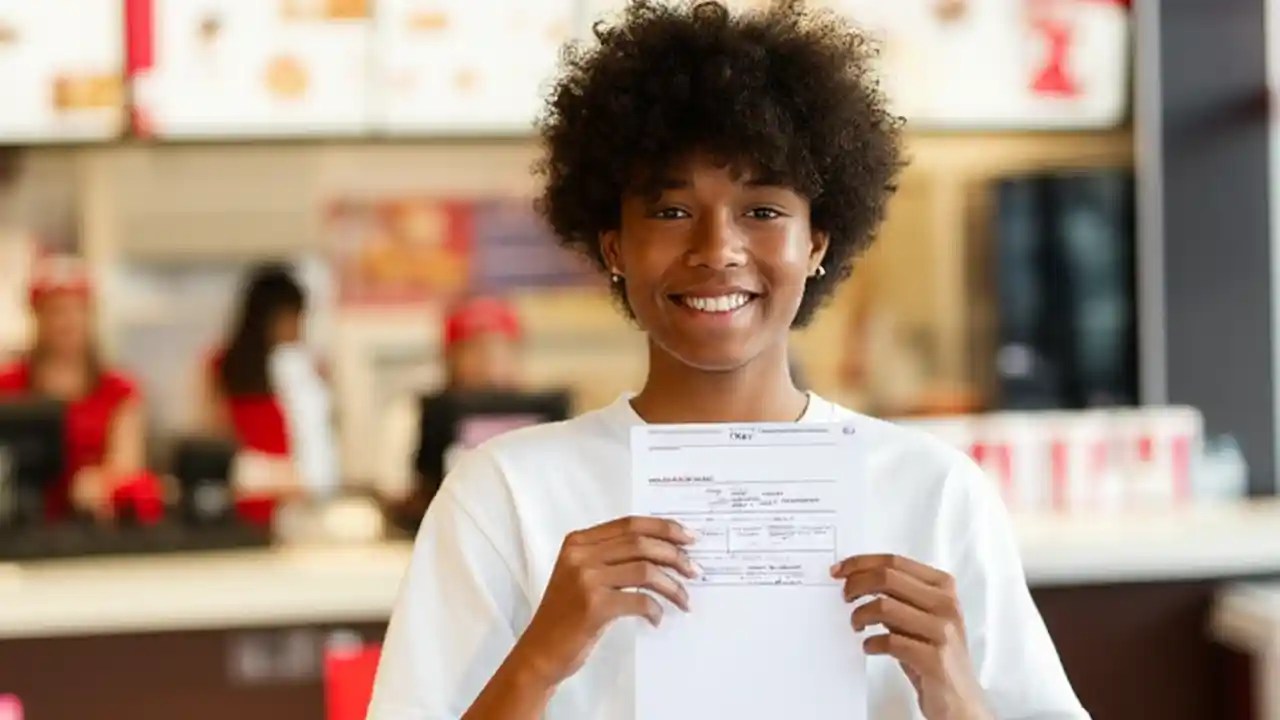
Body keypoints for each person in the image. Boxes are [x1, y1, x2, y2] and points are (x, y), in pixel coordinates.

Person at [369, 3, 1086, 719]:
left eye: (763, 211)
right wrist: (538, 660)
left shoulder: (934, 494)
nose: (716, 250)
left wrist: (955, 691)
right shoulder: (505, 497)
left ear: (818, 244)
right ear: (614, 245)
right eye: (671, 211)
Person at [0, 257, 152, 522]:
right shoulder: (7, 384)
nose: (67, 323)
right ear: (36, 315)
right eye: (56, 311)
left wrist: (101, 483)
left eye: (76, 311)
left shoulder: (119, 389)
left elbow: (127, 464)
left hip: (92, 523)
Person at [204, 264, 338, 526]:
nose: (298, 328)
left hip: (295, 505)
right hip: (244, 504)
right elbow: (216, 444)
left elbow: (318, 446)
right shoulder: (222, 369)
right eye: (294, 318)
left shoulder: (306, 371)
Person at [387, 295, 528, 529]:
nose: (489, 362)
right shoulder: (409, 415)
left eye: (500, 348)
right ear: (449, 357)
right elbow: (394, 493)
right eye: (475, 349)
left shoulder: (542, 421)